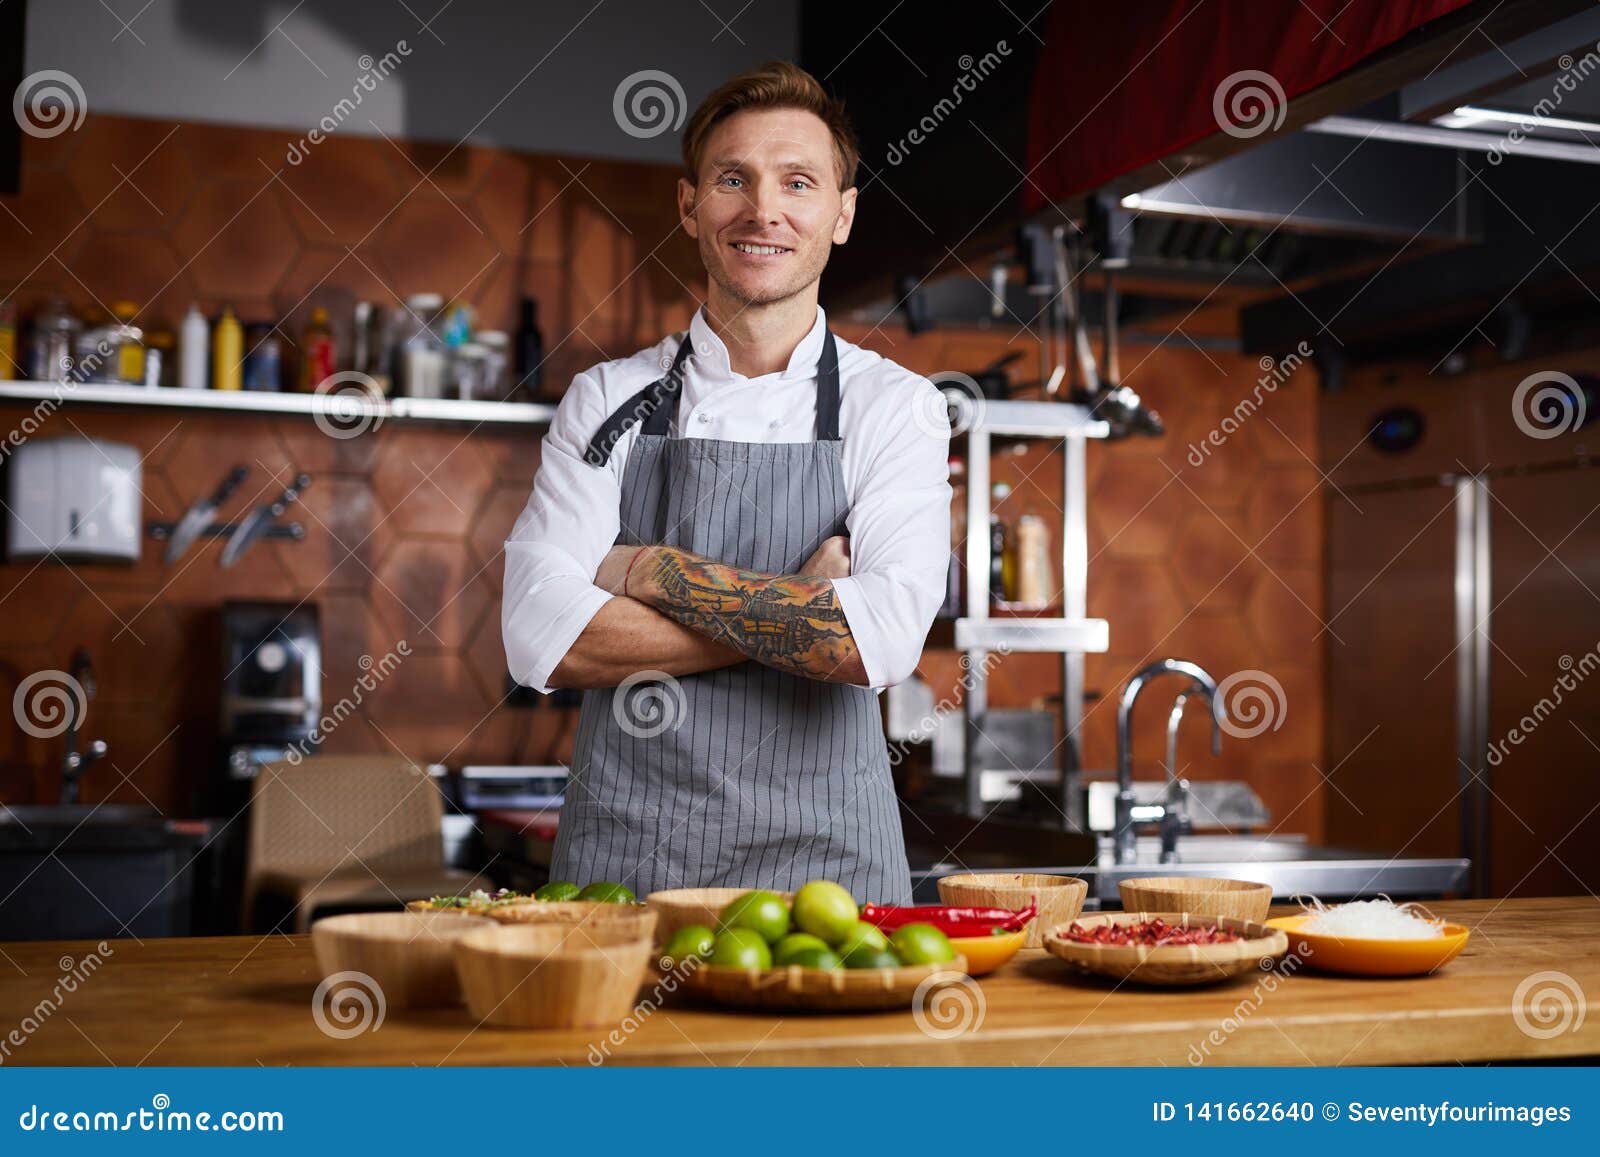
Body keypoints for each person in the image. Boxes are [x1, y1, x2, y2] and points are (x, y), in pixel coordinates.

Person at [502, 60, 951, 904]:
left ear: (842, 215)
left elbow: (879, 643)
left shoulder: (898, 407)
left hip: (830, 883)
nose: (763, 211)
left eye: (798, 182)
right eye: (733, 179)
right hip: (628, 873)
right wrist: (800, 603)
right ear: (689, 205)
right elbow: (540, 640)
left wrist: (645, 570)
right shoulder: (607, 398)